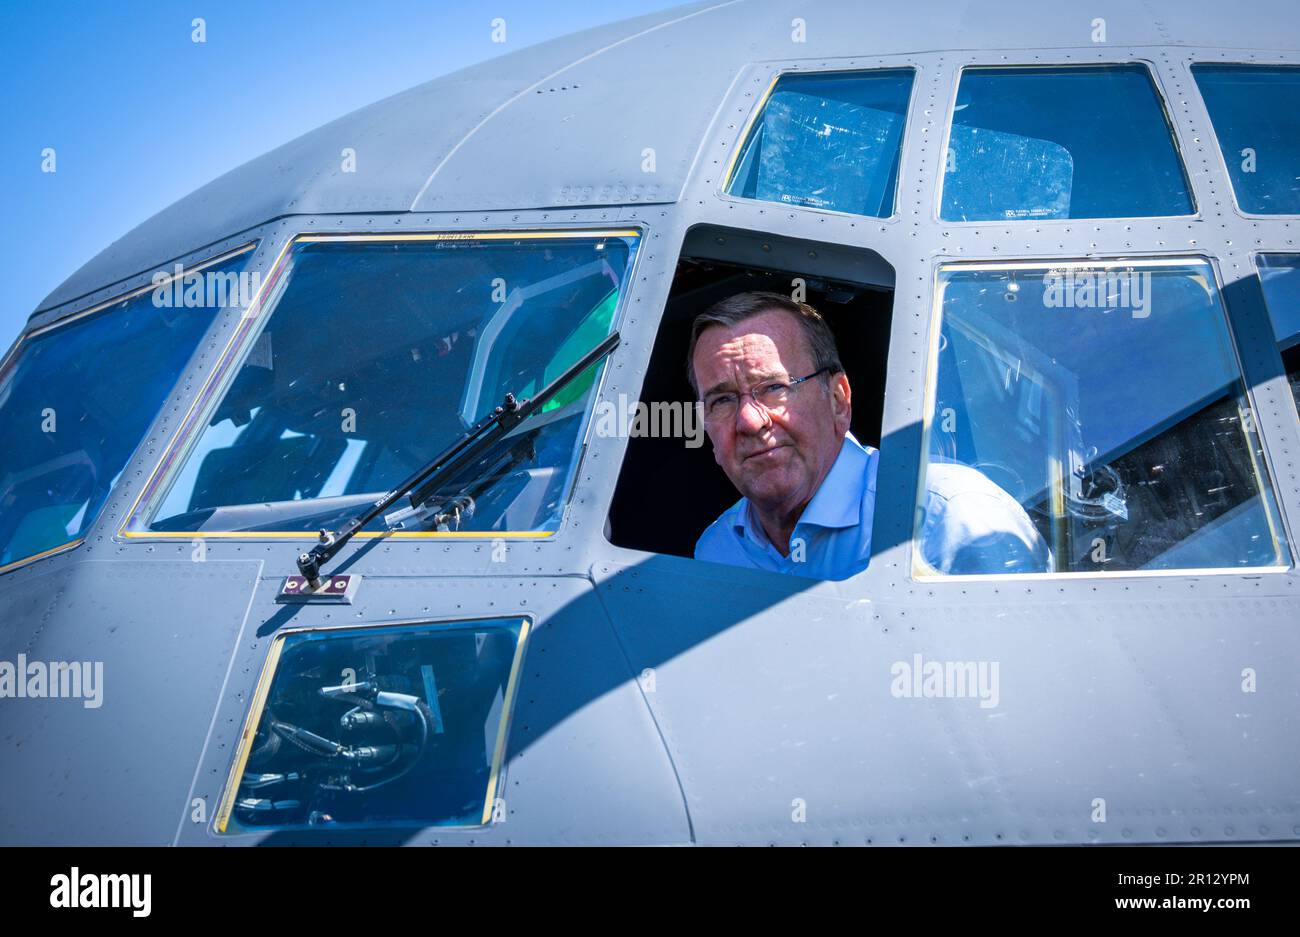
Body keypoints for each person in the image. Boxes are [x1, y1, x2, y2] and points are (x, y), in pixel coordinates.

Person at [689, 291, 1050, 579]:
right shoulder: (716, 551)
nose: (750, 421)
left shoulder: (950, 518)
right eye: (722, 400)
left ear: (838, 400)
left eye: (774, 388)